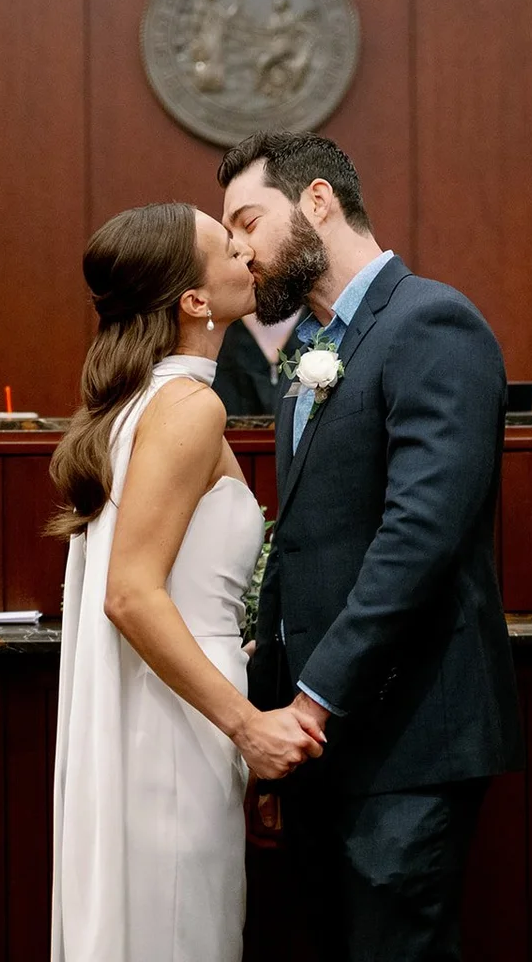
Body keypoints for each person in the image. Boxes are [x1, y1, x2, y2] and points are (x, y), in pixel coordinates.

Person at [219, 131, 524, 962]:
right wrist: (278, 736)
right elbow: (299, 545)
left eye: (248, 221)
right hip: (323, 747)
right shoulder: (313, 355)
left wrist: (310, 705)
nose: (238, 249)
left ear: (317, 200)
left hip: (411, 731)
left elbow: (419, 538)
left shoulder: (432, 322)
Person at [48, 202, 324, 961]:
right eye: (228, 245)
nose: (246, 251)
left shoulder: (144, 399)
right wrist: (247, 727)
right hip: (179, 726)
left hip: (172, 715)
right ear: (194, 302)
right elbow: (132, 593)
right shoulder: (188, 406)